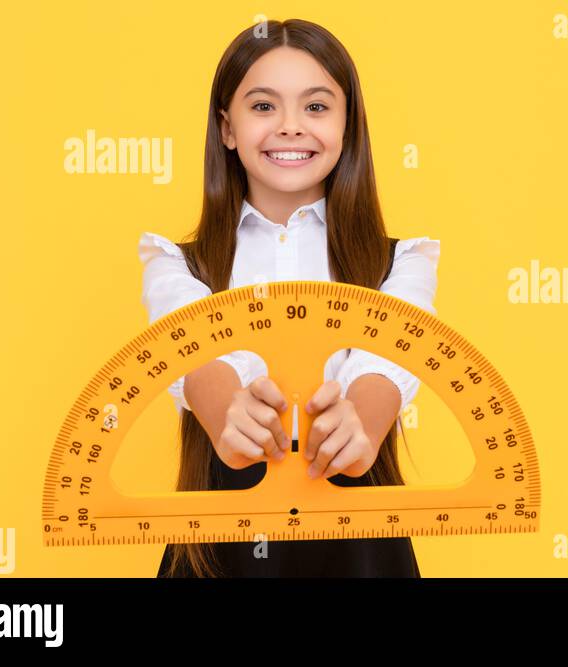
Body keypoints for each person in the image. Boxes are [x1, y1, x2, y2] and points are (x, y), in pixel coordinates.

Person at [137, 18, 439, 577]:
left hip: (361, 549)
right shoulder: (175, 265)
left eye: (317, 107)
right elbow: (193, 348)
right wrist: (227, 409)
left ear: (349, 126)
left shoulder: (405, 263)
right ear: (227, 128)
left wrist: (361, 427)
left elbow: (389, 360)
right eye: (263, 106)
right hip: (221, 550)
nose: (291, 127)